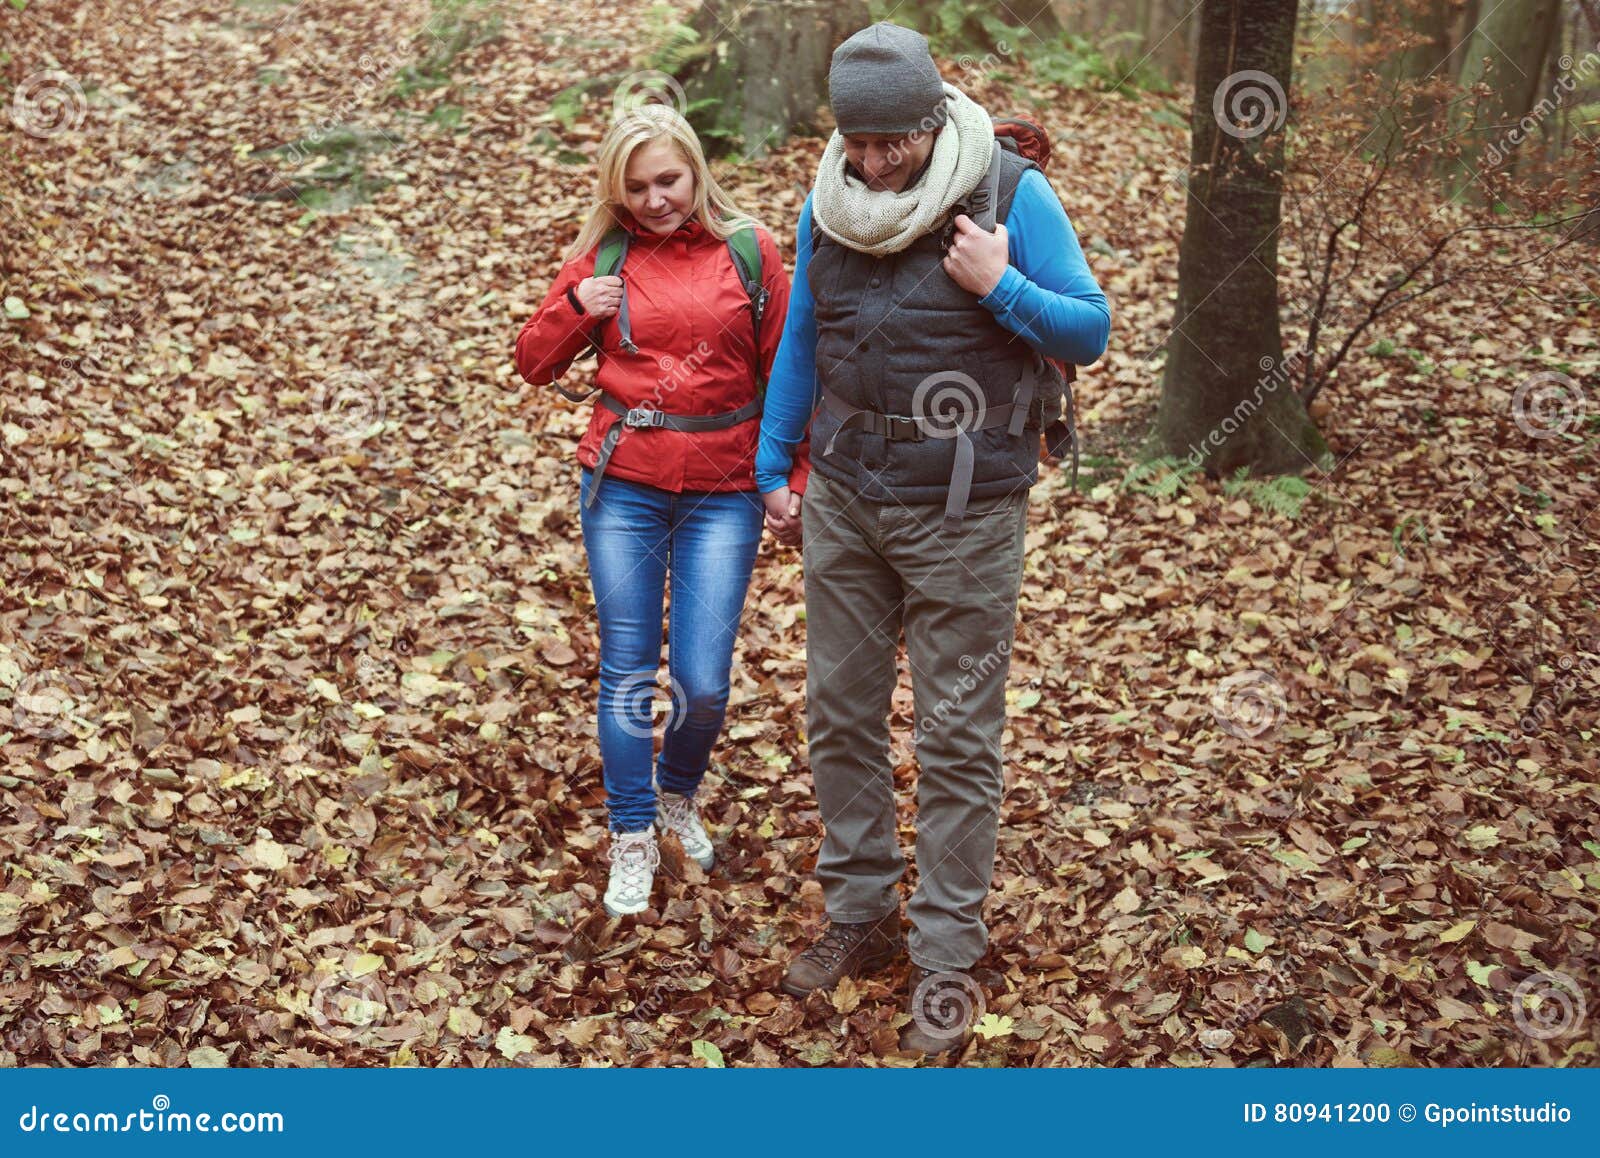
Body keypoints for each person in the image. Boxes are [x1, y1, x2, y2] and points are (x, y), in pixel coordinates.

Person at [755, 22, 1111, 1054]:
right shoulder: (827, 201)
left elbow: (1087, 329)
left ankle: (948, 950)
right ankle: (860, 913)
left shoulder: (1007, 193)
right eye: (857, 144)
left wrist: (997, 284)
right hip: (848, 497)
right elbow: (801, 343)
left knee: (957, 733)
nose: (874, 163)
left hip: (967, 509)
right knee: (839, 713)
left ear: (930, 117)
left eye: (893, 143)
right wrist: (775, 466)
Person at [514, 103, 806, 918]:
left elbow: (788, 369)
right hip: (626, 485)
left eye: (669, 180)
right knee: (629, 671)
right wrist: (582, 310)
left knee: (704, 683)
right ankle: (633, 832)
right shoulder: (601, 256)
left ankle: (678, 793)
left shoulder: (749, 249)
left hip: (724, 486)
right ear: (616, 188)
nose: (655, 199)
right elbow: (532, 363)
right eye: (636, 187)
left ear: (696, 171)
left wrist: (794, 475)